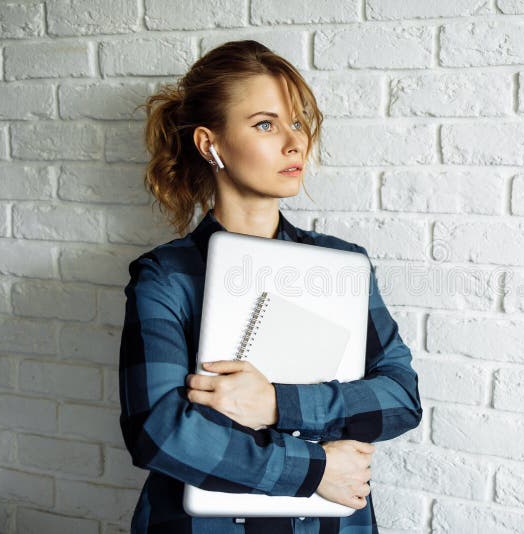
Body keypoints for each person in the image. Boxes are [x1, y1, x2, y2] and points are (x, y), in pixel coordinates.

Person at [118, 40, 423, 533]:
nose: (294, 142)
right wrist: (316, 469)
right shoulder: (167, 275)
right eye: (265, 124)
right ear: (210, 144)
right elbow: (160, 433)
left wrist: (277, 402)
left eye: (297, 122)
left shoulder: (341, 265)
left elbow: (400, 397)